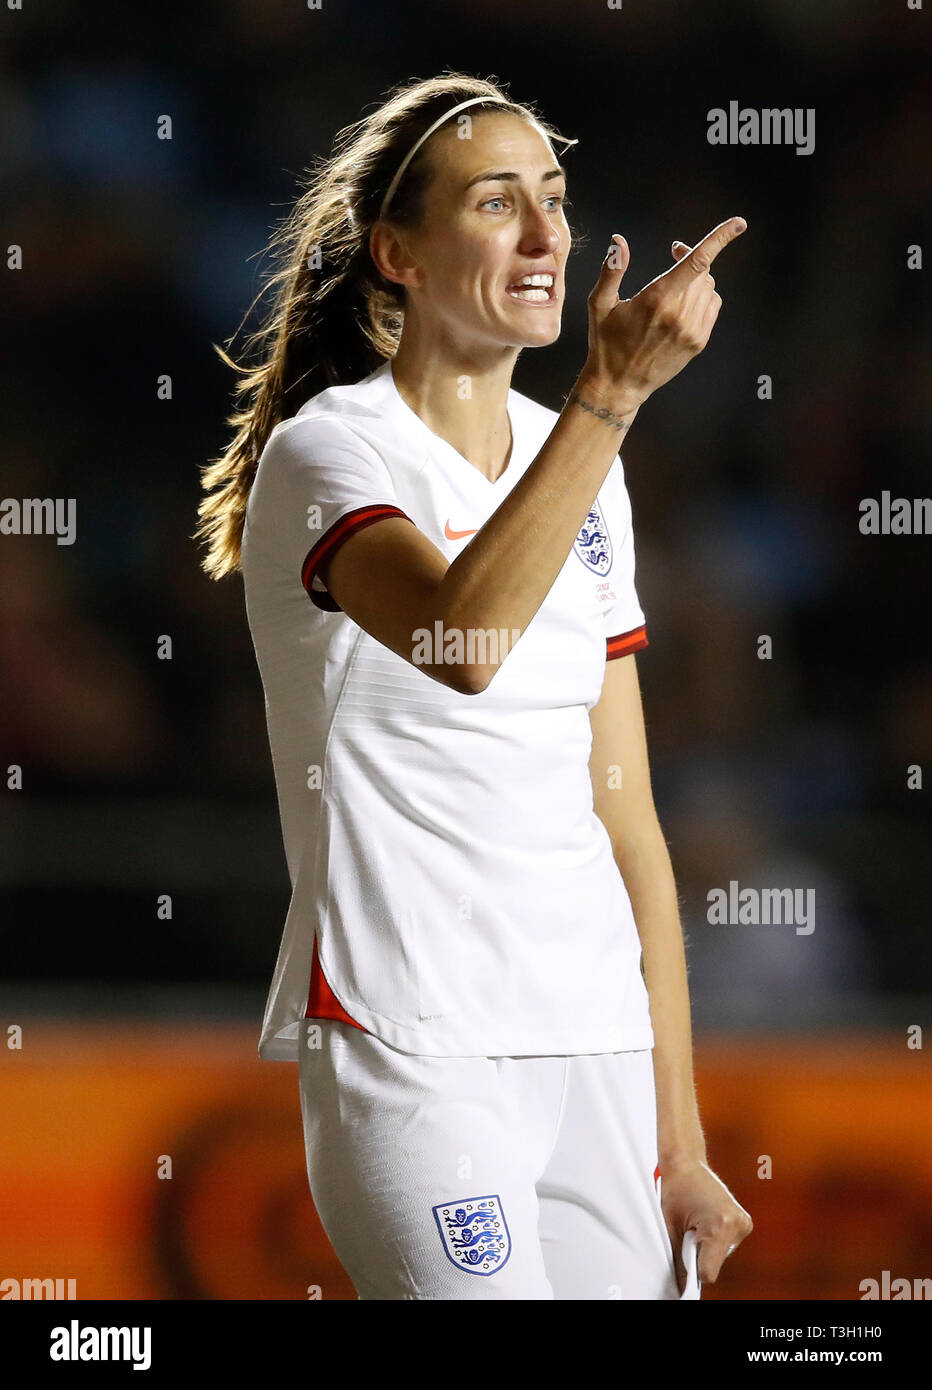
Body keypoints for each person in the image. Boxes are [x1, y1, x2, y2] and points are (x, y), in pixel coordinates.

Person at [196, 72, 752, 1300]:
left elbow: (626, 824)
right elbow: (462, 643)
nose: (547, 236)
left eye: (553, 200)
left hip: (594, 1041)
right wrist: (608, 399)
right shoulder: (330, 452)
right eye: (498, 203)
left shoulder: (583, 474)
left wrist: (680, 1142)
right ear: (397, 252)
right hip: (411, 1039)